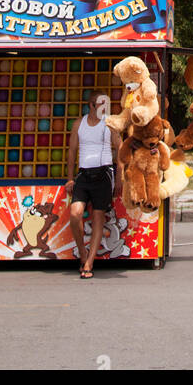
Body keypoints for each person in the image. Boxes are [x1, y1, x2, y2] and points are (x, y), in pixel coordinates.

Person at [65, 90, 121, 279]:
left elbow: (120, 149)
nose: (104, 109)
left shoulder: (109, 124)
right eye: (100, 105)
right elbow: (72, 151)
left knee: (98, 217)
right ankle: (82, 252)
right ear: (91, 105)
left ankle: (89, 262)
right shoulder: (79, 124)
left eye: (106, 106)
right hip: (84, 174)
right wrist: (70, 178)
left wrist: (119, 179)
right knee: (75, 213)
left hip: (104, 173)